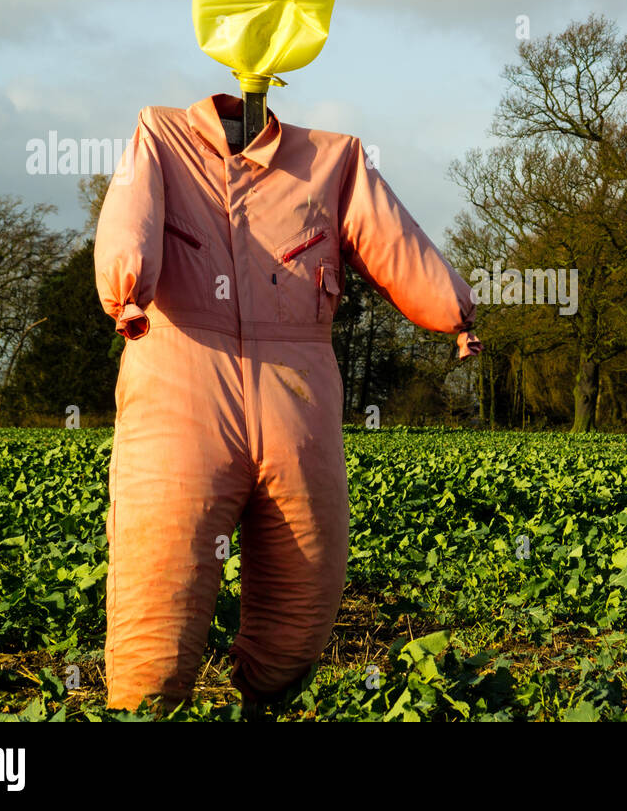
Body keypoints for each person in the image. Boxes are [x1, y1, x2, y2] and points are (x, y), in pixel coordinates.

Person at [94, 92, 481, 713]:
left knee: (305, 594)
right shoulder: (161, 136)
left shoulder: (333, 158)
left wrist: (453, 311)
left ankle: (264, 703)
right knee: (157, 585)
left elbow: (394, 241)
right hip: (178, 392)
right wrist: (126, 286)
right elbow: (129, 217)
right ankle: (145, 709)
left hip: (299, 404)